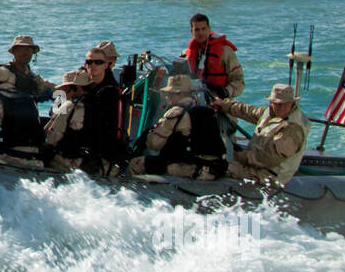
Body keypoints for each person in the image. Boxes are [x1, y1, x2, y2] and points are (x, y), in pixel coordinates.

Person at [127, 74, 227, 177]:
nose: (167, 97)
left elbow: (154, 144)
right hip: (214, 168)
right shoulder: (203, 109)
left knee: (135, 164)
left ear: (179, 94)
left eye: (170, 94)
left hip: (189, 168)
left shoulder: (176, 112)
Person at [210, 84, 308, 186]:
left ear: (292, 103)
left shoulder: (292, 130)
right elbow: (249, 112)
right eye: (277, 104)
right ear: (271, 102)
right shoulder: (270, 112)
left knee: (216, 167)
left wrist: (240, 156)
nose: (281, 108)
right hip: (257, 163)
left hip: (268, 176)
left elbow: (267, 158)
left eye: (284, 104)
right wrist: (225, 105)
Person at [78, 46, 126, 174]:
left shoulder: (109, 92)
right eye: (89, 62)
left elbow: (100, 127)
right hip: (83, 145)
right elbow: (57, 102)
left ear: (106, 65)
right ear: (85, 64)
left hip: (100, 151)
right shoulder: (82, 83)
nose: (93, 65)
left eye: (98, 62)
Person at [182, 13, 244, 99]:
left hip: (220, 100)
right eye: (197, 30)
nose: (201, 33)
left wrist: (226, 91)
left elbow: (239, 80)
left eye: (203, 29)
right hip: (194, 100)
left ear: (209, 29)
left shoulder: (225, 52)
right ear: (191, 31)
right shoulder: (186, 54)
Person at [44, 68, 92, 170]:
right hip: (83, 160)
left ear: (76, 88)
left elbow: (53, 135)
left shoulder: (69, 106)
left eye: (65, 89)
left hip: (63, 160)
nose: (63, 93)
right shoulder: (93, 104)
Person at [5, 35, 56, 101]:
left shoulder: (33, 77)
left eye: (28, 50)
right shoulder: (4, 74)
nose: (25, 53)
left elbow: (51, 89)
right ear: (14, 52)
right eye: (21, 49)